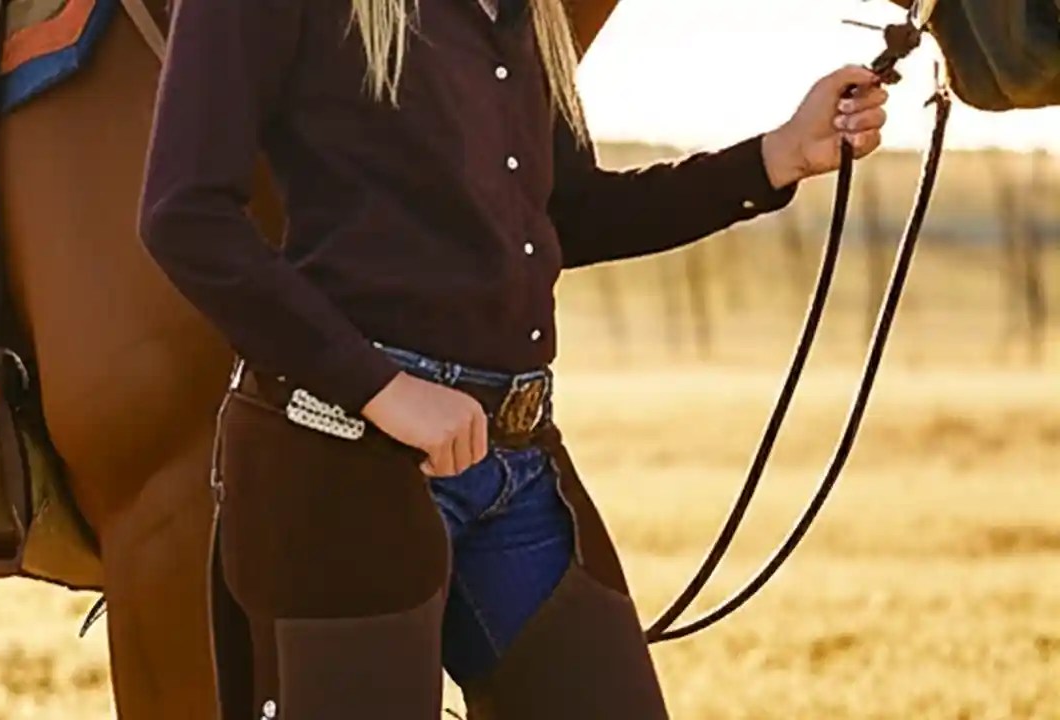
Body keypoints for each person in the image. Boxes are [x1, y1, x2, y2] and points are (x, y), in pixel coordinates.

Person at [136, 0, 890, 717]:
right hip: (341, 462)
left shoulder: (523, 13)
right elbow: (184, 214)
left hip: (518, 463)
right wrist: (381, 388)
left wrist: (774, 158)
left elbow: (563, 214)